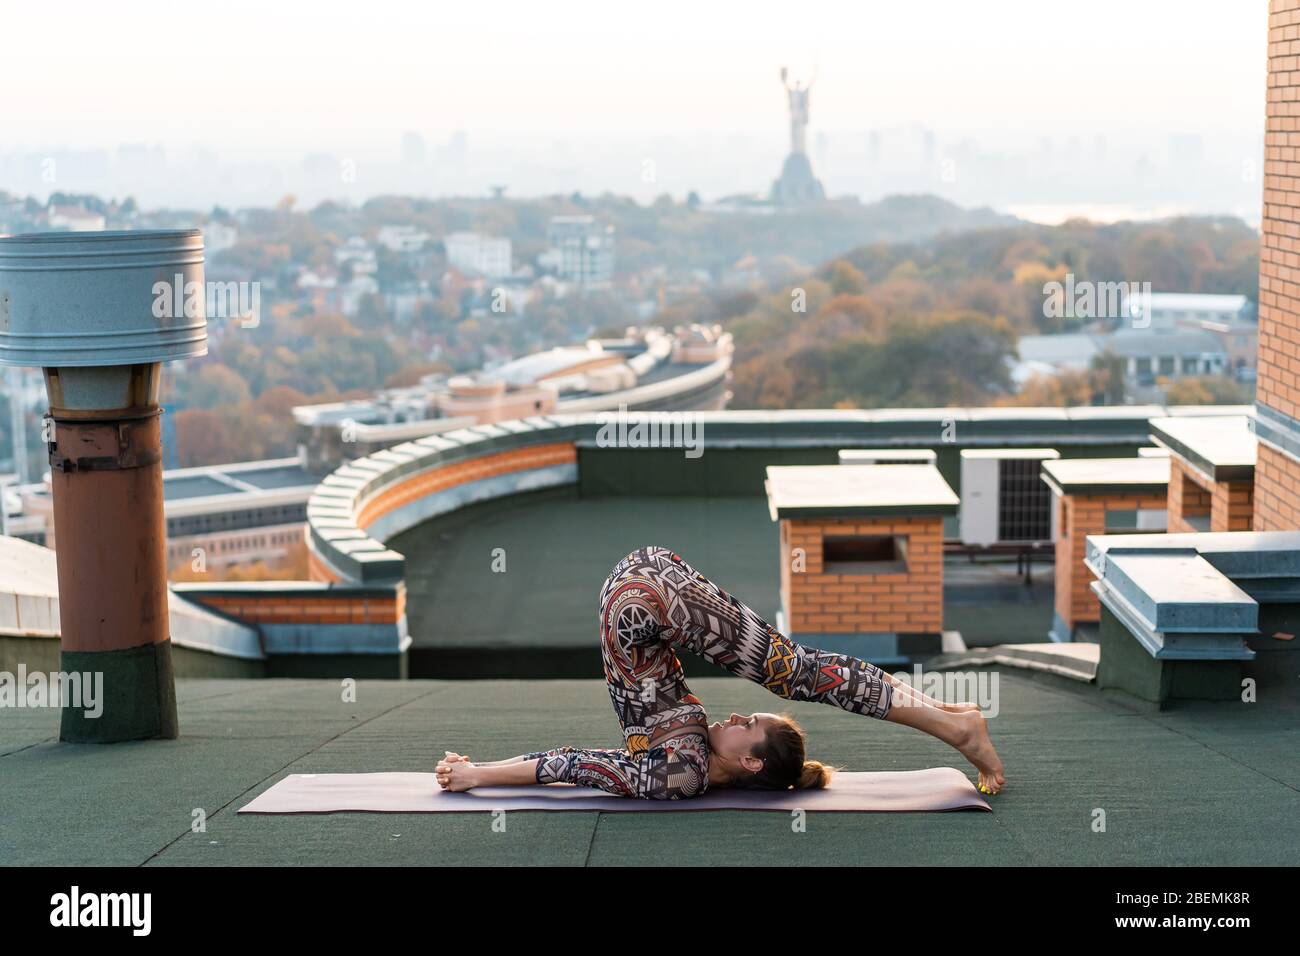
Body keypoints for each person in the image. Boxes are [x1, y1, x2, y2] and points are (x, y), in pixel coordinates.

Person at [436, 546, 1005, 799]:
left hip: (646, 597)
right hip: (652, 597)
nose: (733, 714)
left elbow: (575, 766)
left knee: (798, 671)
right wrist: (477, 775)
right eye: (746, 717)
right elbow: (573, 764)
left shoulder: (679, 776)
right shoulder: (692, 761)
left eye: (746, 724)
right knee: (796, 672)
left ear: (749, 760)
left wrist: (477, 773)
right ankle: (953, 722)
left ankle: (954, 720)